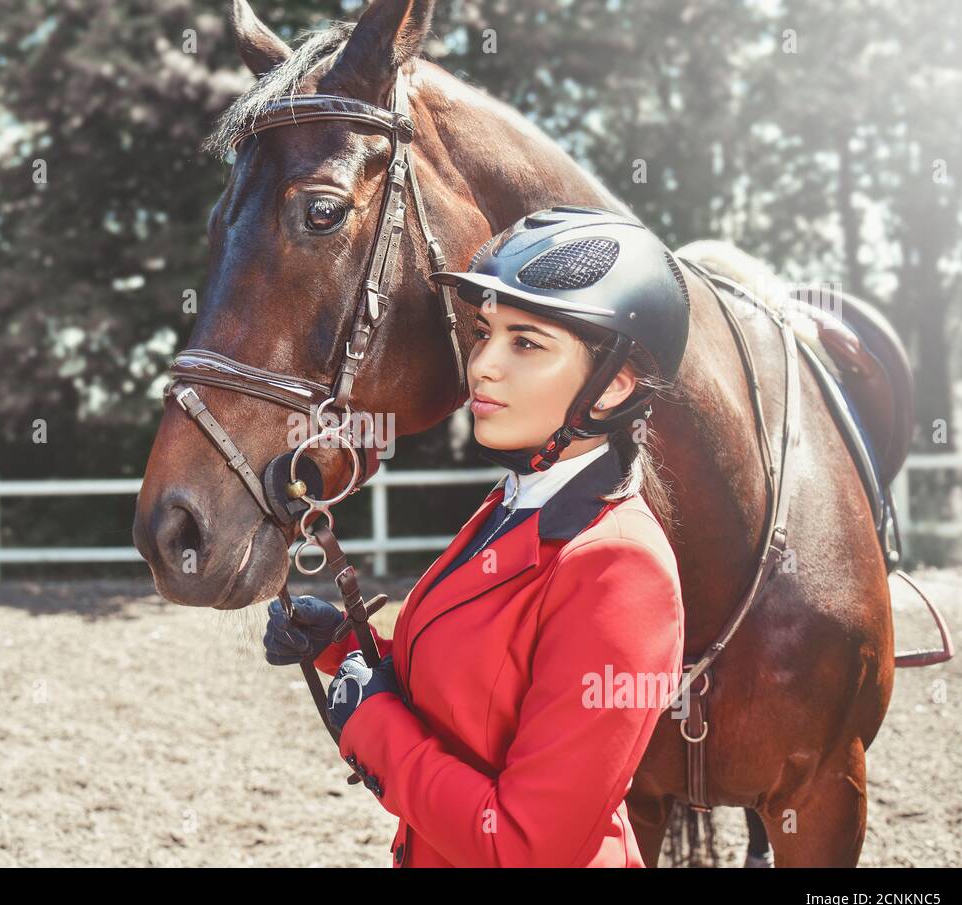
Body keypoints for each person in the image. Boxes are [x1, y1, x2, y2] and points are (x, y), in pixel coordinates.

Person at [263, 205, 690, 867]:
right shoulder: (516, 502)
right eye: (485, 331)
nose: (482, 365)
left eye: (526, 342)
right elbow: (473, 694)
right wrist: (343, 645)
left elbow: (524, 846)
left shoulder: (619, 570)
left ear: (615, 387)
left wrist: (369, 720)